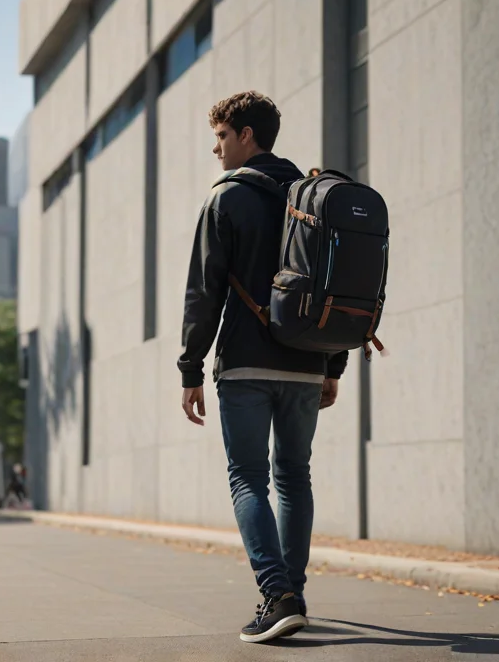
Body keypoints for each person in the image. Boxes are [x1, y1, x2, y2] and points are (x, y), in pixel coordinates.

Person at [178, 91, 348, 644]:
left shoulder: (226, 199)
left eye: (222, 137)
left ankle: (278, 595)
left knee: (247, 478)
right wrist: (332, 365)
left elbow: (203, 291)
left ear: (247, 135)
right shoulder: (312, 197)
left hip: (247, 365)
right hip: (305, 364)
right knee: (293, 478)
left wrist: (190, 368)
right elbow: (337, 288)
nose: (216, 148)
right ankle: (292, 593)